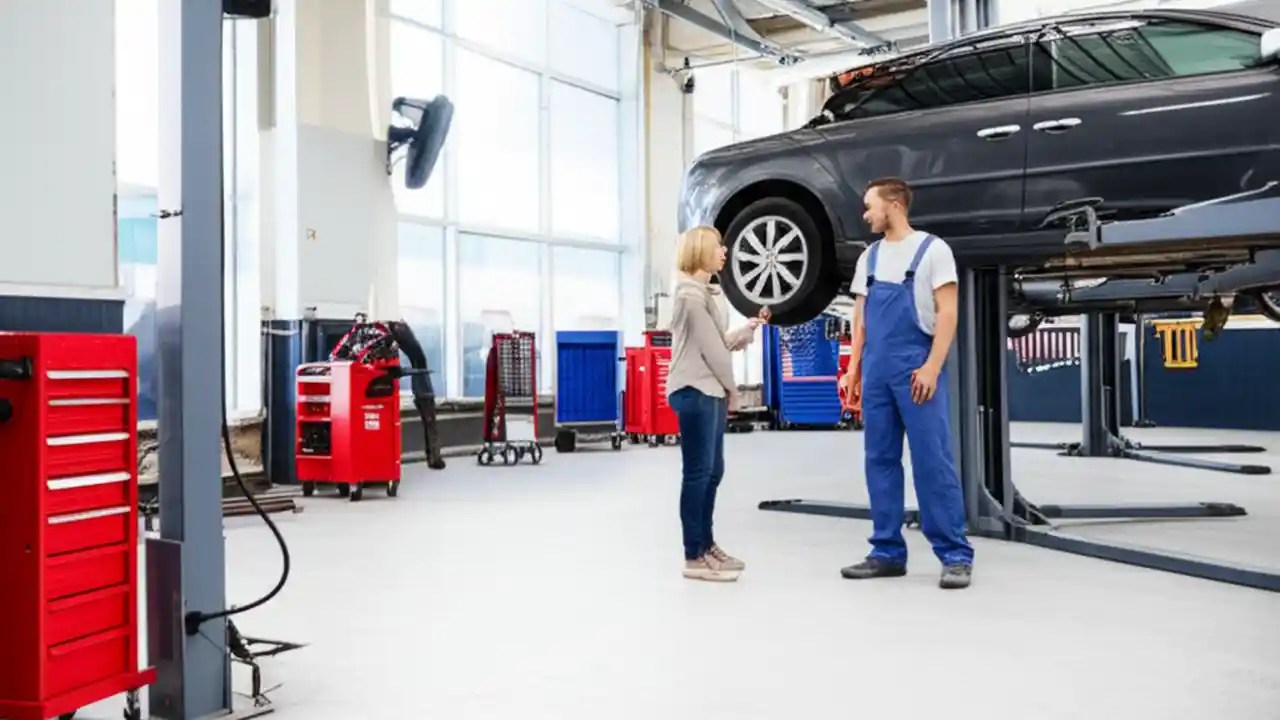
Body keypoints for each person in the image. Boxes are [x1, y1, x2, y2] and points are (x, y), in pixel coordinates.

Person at [838, 177, 975, 590]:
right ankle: (886, 552)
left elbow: (947, 312)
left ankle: (954, 555)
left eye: (870, 206)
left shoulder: (934, 250)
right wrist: (854, 369)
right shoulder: (870, 257)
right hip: (878, 369)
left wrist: (933, 365)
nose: (866, 215)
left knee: (932, 461)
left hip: (917, 367)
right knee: (879, 460)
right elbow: (860, 319)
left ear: (894, 205)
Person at [666, 225, 765, 583]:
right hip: (696, 389)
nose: (725, 251)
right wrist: (734, 390)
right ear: (700, 250)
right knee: (698, 473)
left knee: (712, 472)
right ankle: (694, 555)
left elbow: (714, 342)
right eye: (719, 246)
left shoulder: (703, 294)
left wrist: (744, 332)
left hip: (706, 389)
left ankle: (707, 546)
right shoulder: (690, 296)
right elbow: (712, 353)